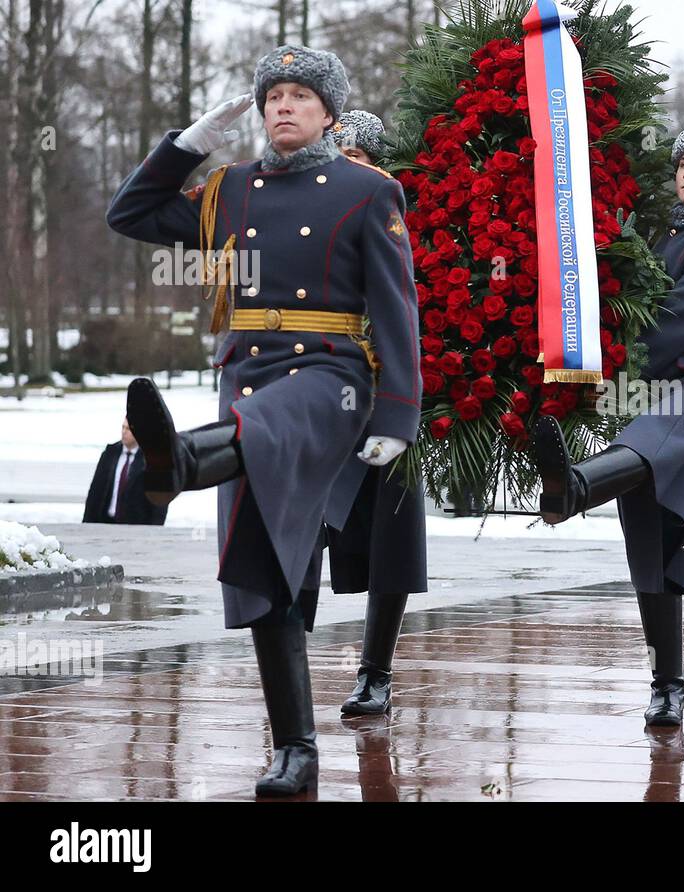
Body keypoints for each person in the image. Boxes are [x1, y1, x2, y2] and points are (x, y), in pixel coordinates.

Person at [106, 44, 421, 796]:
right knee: (265, 564)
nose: (282, 105)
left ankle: (178, 461)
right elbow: (131, 214)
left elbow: (396, 304)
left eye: (299, 96)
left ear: (330, 114)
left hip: (331, 377)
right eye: (272, 94)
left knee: (272, 422)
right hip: (246, 375)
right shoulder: (230, 190)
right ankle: (296, 749)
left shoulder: (367, 191)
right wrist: (186, 146)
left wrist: (399, 411)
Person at [532, 122, 684, 727]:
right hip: (651, 388)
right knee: (652, 547)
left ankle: (575, 487)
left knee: (652, 448)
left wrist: (594, 369)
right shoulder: (665, 234)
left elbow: (670, 326)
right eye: (683, 161)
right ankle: (667, 682)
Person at [320, 102, 427, 718]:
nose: (347, 169)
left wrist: (400, 403)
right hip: (317, 393)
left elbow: (401, 310)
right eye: (340, 156)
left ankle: (375, 672)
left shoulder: (384, 212)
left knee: (391, 538)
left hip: (383, 395)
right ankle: (284, 661)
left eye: (358, 157)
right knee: (295, 528)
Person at [82, 418, 168, 525]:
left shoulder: (151, 459)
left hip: (136, 526)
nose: (124, 432)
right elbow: (95, 490)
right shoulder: (110, 453)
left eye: (128, 429)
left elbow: (159, 500)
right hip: (106, 522)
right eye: (123, 427)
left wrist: (154, 530)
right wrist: (87, 522)